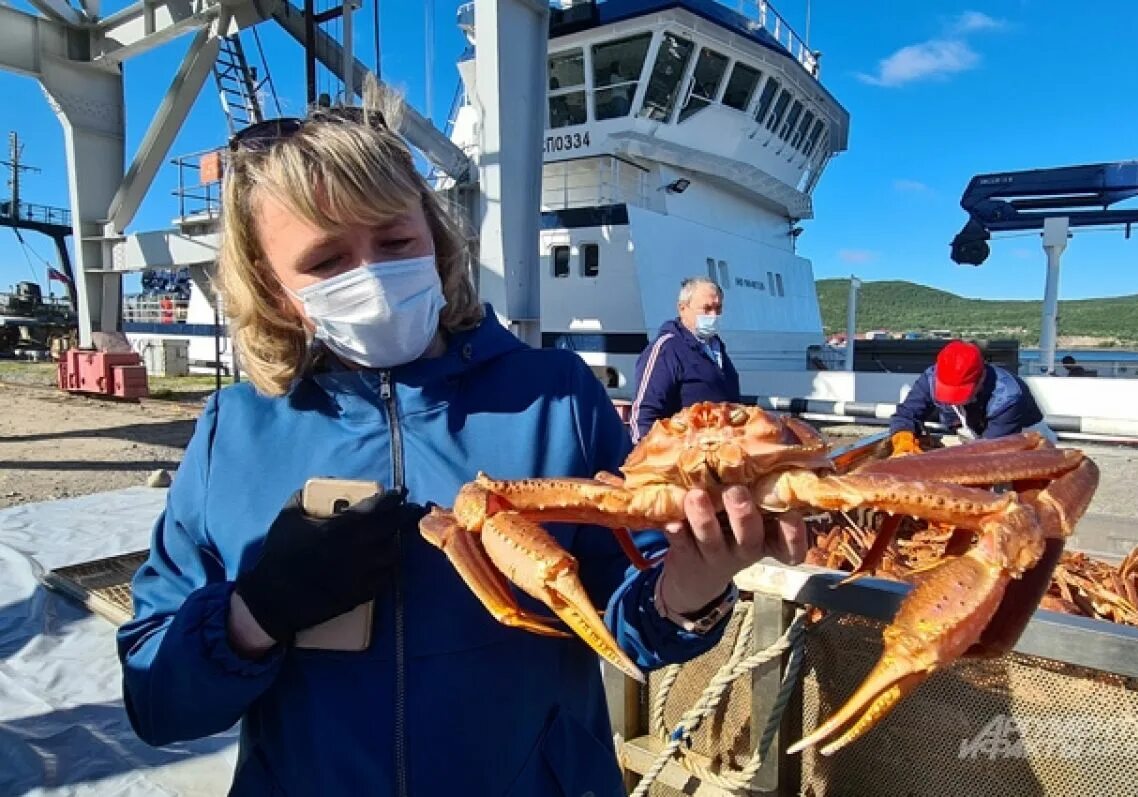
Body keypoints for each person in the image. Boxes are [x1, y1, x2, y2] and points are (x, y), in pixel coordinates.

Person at [116, 91, 807, 797]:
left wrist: (690, 588)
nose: (371, 277)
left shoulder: (559, 396)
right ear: (273, 284)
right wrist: (252, 614)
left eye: (394, 242)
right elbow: (155, 700)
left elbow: (630, 622)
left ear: (437, 236)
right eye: (326, 261)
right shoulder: (232, 430)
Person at [889, 339, 1055, 454]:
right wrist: (903, 440)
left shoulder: (1008, 397)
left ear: (981, 378)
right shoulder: (930, 378)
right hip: (975, 440)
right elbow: (906, 413)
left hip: (1027, 445)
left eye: (959, 393)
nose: (953, 401)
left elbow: (991, 453)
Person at [629, 277, 740, 442]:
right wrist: (650, 456)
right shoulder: (667, 349)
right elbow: (644, 413)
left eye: (718, 308)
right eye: (707, 309)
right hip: (683, 455)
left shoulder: (716, 348)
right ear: (682, 308)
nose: (714, 315)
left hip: (722, 453)